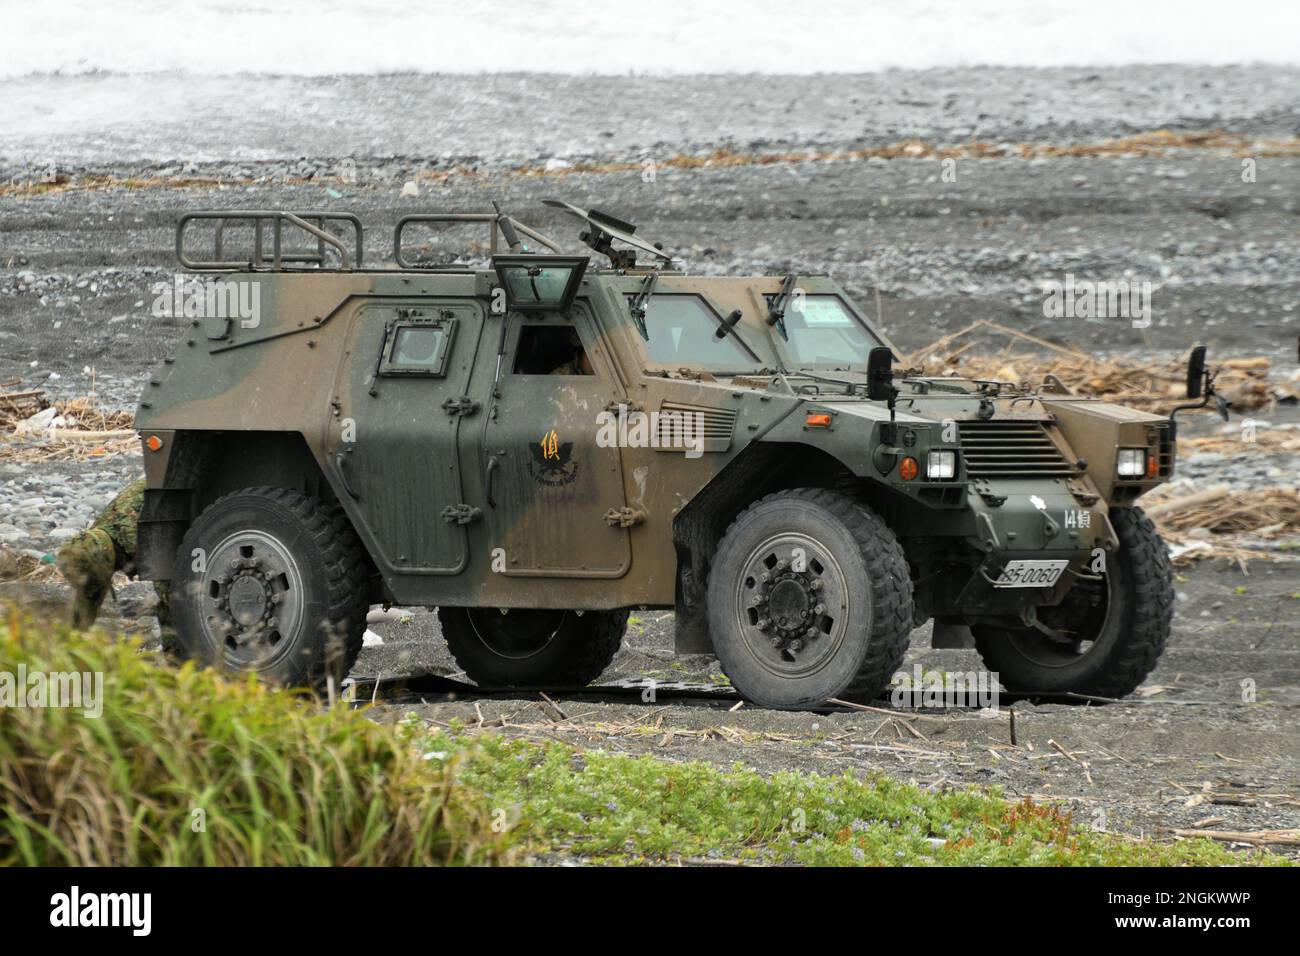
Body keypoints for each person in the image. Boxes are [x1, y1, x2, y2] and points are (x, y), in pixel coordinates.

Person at [56, 478, 170, 631]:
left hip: (111, 546)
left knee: (171, 598)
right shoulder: (119, 528)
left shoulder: (151, 488)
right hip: (104, 547)